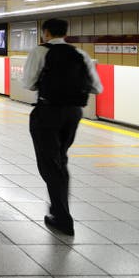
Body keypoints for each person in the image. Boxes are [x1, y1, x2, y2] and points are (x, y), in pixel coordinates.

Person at [22, 18, 103, 236]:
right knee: (60, 159)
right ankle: (59, 207)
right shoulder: (80, 54)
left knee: (49, 164)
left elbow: (28, 83)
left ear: (45, 33)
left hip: (48, 112)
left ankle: (62, 218)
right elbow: (96, 87)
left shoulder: (40, 52)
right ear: (65, 33)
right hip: (73, 114)